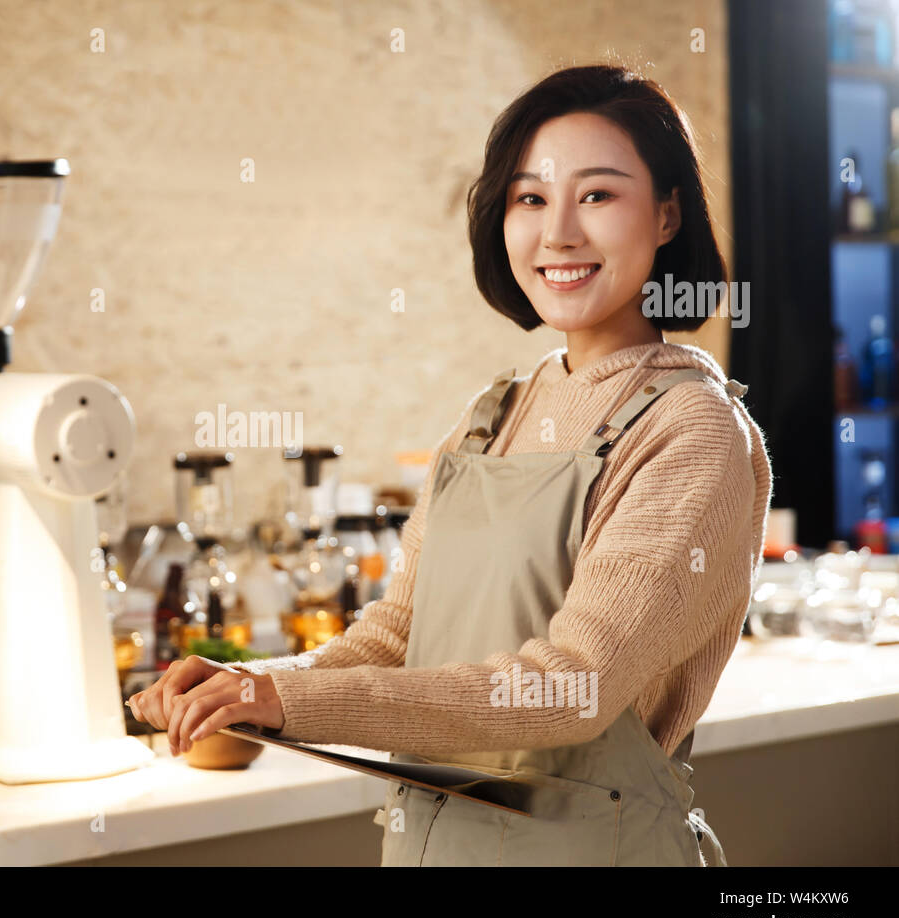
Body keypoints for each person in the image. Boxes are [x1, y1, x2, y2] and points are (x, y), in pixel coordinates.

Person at [128, 62, 772, 866]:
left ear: (668, 213)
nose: (558, 234)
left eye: (597, 195)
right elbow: (395, 638)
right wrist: (247, 685)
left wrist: (283, 698)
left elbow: (567, 686)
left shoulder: (692, 432)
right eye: (530, 198)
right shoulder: (491, 416)